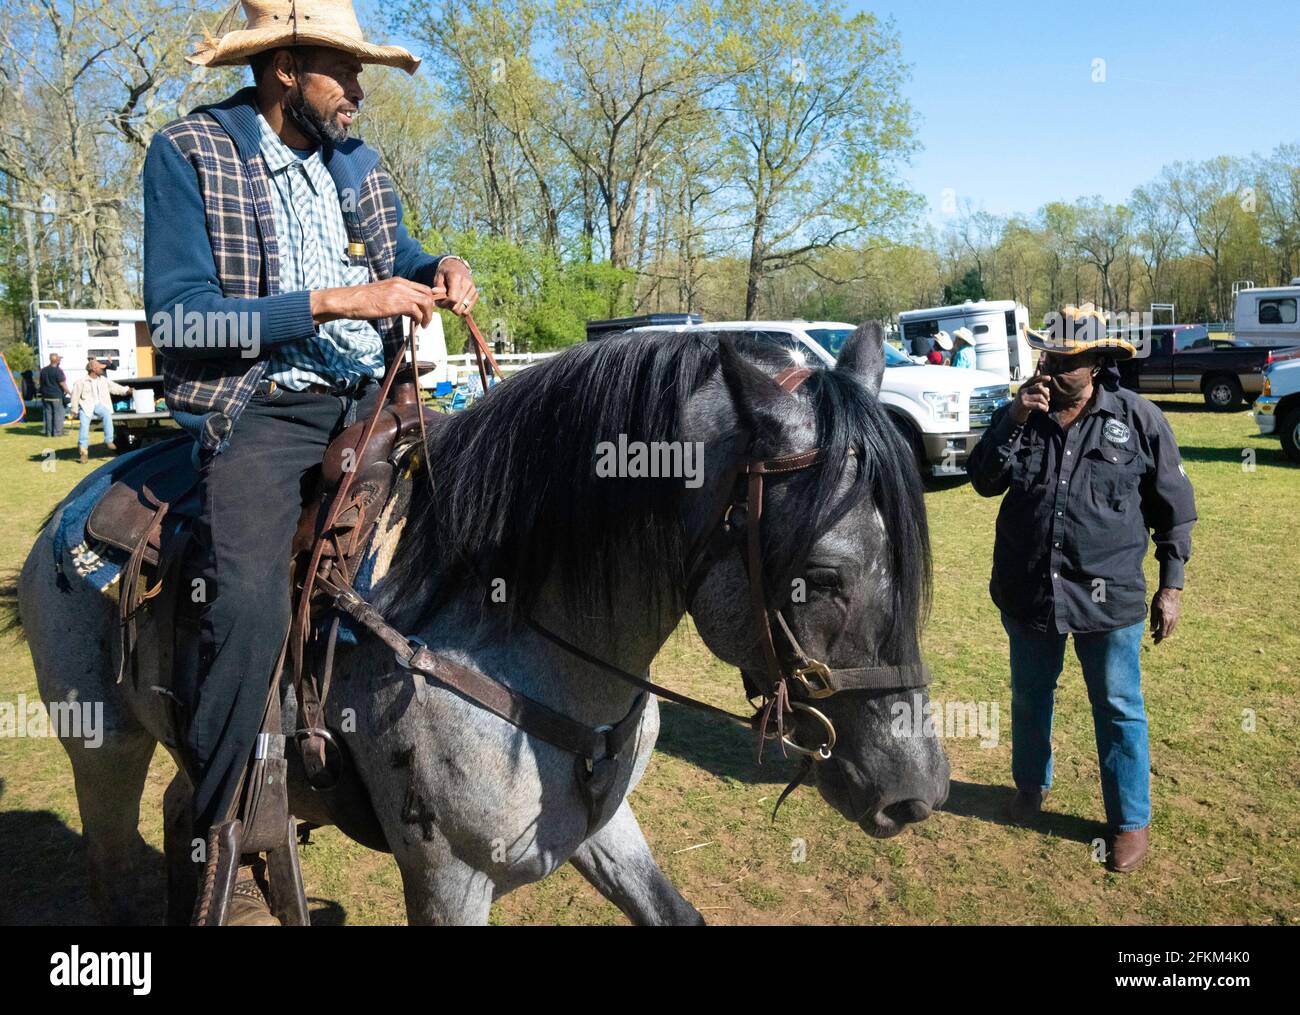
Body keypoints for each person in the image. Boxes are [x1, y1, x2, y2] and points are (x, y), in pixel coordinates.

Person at [143, 0, 477, 924]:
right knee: (246, 602)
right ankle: (218, 842)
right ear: (285, 66)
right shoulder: (186, 154)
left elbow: (396, 253)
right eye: (346, 68)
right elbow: (179, 318)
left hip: (375, 400)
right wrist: (330, 300)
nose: (361, 89)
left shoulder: (358, 165)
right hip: (261, 408)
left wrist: (440, 265)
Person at [967, 303, 1196, 874]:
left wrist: (1172, 586)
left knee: (1118, 707)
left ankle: (1128, 822)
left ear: (1095, 363)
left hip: (1109, 597)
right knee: (1029, 696)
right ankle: (1029, 788)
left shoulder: (1139, 419)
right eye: (1047, 354)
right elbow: (982, 480)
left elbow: (1174, 510)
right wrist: (1012, 420)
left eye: (1066, 359)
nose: (1050, 368)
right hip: (1030, 592)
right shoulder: (1020, 413)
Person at [69, 358, 131, 464]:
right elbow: (74, 397)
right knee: (84, 426)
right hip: (86, 406)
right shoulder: (80, 382)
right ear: (93, 369)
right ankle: (83, 453)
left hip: (99, 405)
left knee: (107, 414)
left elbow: (115, 387)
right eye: (99, 367)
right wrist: (74, 410)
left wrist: (127, 390)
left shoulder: (103, 380)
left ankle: (109, 440)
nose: (102, 369)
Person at [38, 353, 69, 437]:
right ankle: (57, 433)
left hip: (46, 396)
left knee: (48, 415)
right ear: (57, 360)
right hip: (56, 396)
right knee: (57, 415)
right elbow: (62, 383)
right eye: (59, 359)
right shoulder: (58, 371)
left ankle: (48, 433)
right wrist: (69, 392)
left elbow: (41, 383)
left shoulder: (43, 370)